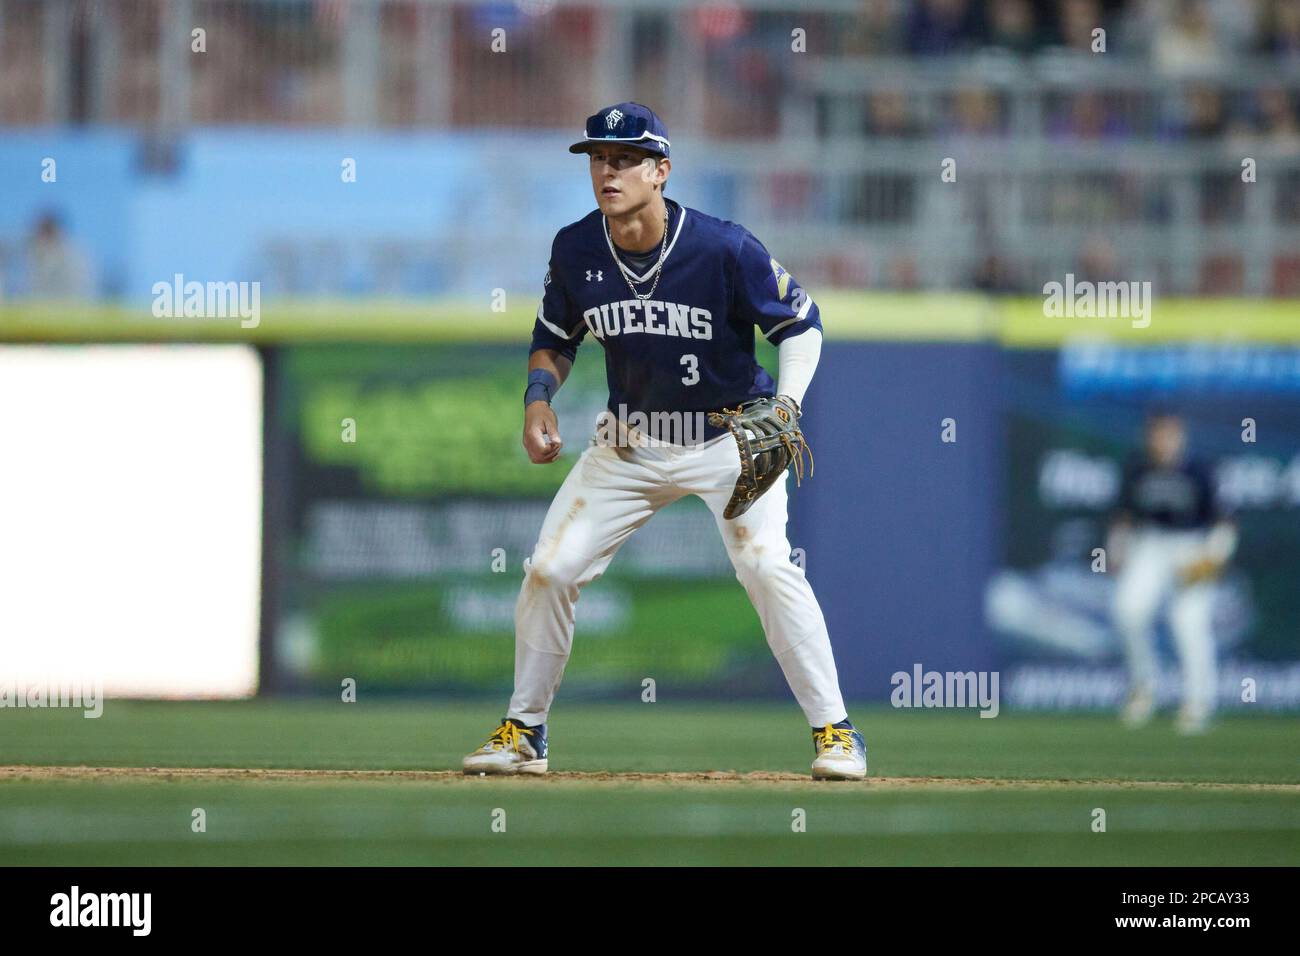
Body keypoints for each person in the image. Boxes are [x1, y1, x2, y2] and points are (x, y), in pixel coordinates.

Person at [462, 102, 865, 780]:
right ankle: (525, 732)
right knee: (549, 570)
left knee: (767, 564)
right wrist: (537, 400)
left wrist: (787, 407)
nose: (607, 171)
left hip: (731, 436)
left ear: (662, 171)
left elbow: (803, 325)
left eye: (624, 159)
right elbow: (555, 339)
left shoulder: (723, 247)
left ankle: (836, 732)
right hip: (632, 441)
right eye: (598, 159)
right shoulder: (575, 248)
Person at [1108, 411, 1237, 734]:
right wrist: (1116, 548)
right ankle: (1144, 686)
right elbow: (1123, 515)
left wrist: (1214, 557)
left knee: (1188, 622)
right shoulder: (1137, 467)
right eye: (1157, 434)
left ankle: (1198, 702)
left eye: (1169, 434)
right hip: (1149, 545)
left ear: (1181, 436)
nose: (1162, 441)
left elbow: (1226, 521)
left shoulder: (1200, 470)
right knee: (1127, 610)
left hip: (1191, 547)